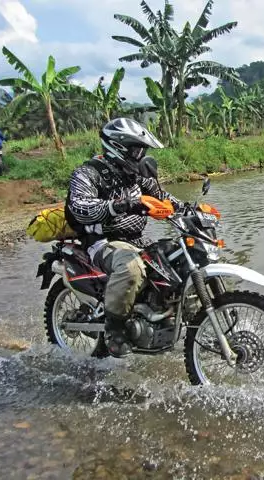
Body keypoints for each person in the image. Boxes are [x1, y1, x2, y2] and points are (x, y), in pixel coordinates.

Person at [65, 117, 184, 358]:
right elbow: (80, 207)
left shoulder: (137, 175)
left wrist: (192, 209)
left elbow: (163, 197)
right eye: (137, 149)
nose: (141, 155)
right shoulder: (88, 174)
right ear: (119, 148)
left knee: (177, 257)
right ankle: (115, 330)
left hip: (137, 240)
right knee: (131, 268)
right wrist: (122, 205)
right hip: (102, 243)